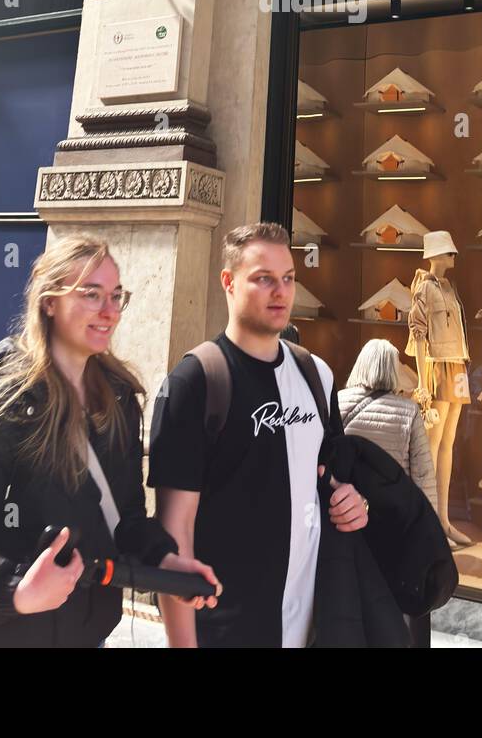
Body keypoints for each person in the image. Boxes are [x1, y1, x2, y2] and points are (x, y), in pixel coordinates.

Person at [0, 235, 218, 647]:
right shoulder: (2, 407)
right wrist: (16, 591)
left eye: (116, 295)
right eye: (91, 295)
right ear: (49, 301)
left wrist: (165, 561)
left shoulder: (118, 399)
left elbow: (123, 520)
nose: (110, 311)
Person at [147, 221, 369, 648]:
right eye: (264, 279)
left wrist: (353, 502)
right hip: (224, 630)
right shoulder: (196, 381)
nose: (281, 292)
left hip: (310, 628)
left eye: (288, 279)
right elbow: (176, 532)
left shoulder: (316, 376)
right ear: (228, 282)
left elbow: (330, 478)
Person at [339, 338, 438, 646]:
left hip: (345, 521)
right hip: (394, 526)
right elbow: (423, 476)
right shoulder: (407, 411)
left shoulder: (338, 403)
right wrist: (430, 532)